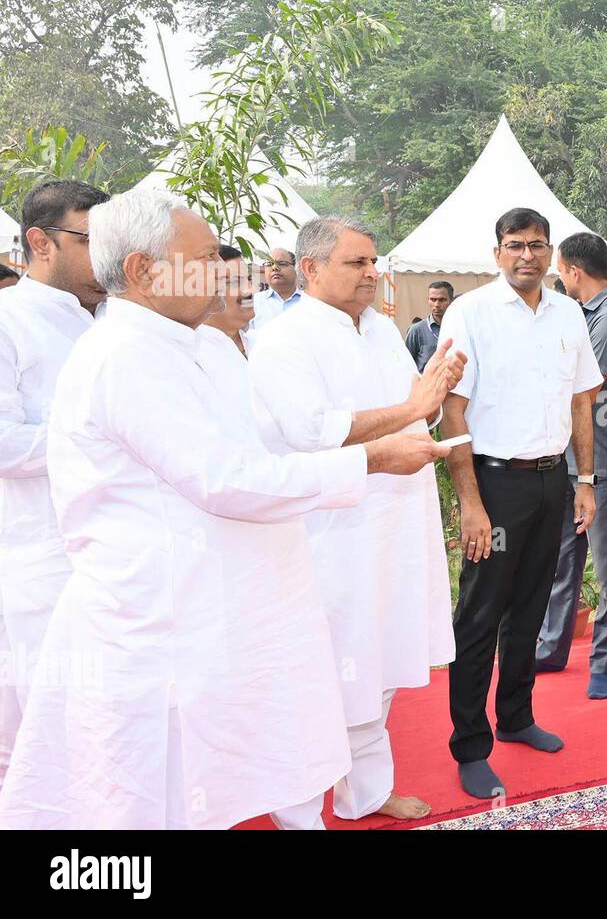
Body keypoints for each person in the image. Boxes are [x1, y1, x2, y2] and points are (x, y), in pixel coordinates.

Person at [0, 190, 449, 829]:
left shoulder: (204, 346)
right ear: (141, 270)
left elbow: (265, 446)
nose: (224, 272)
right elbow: (227, 481)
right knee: (151, 796)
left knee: (235, 768)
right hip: (160, 622)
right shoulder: (123, 355)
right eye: (207, 258)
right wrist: (373, 459)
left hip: (232, 611)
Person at [249, 215, 464, 827]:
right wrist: (413, 405)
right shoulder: (286, 341)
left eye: (374, 262)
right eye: (357, 263)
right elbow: (312, 433)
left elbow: (411, 415)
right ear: (311, 269)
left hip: (392, 530)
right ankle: (297, 813)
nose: (373, 274)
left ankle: (365, 794)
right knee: (318, 681)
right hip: (328, 541)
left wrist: (432, 392)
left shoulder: (378, 330)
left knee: (378, 669)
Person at [437, 207, 603, 800]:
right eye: (514, 245)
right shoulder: (471, 313)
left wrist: (585, 479)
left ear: (550, 251)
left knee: (531, 608)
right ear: (497, 252)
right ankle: (470, 746)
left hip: (551, 480)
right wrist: (472, 505)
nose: (526, 256)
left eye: (536, 245)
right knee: (481, 615)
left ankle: (515, 718)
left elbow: (582, 402)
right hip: (496, 484)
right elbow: (451, 412)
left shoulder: (567, 313)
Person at [0, 179, 108, 791]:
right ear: (40, 241)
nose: (108, 258)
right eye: (91, 240)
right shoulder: (9, 320)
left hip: (118, 558)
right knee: (40, 733)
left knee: (105, 725)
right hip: (40, 557)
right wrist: (99, 436)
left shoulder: (115, 320)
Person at [536, 232, 607, 700]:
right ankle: (553, 647)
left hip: (606, 462)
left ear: (574, 271)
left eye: (559, 268)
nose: (558, 277)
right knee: (564, 560)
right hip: (572, 459)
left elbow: (581, 390)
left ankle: (604, 660)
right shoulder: (581, 315)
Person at [204, 244, 256, 357]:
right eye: (235, 282)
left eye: (249, 279)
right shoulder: (194, 354)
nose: (250, 289)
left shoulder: (262, 342)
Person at [250, 247, 302, 330]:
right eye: (269, 264)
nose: (274, 268)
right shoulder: (255, 302)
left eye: (281, 263)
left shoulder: (310, 300)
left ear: (296, 269)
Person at [406, 279, 452, 371]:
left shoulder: (460, 328)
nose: (437, 304)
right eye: (433, 299)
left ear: (451, 301)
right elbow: (405, 364)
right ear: (428, 300)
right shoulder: (416, 330)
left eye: (442, 300)